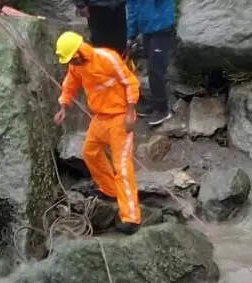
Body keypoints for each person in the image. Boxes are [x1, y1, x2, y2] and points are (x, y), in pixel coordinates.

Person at [54, 31, 142, 234]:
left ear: (79, 50)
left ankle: (131, 217)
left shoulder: (107, 58)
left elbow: (131, 83)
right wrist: (63, 106)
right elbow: (70, 84)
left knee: (122, 166)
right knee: (89, 152)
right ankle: (109, 190)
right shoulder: (76, 65)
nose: (72, 62)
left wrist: (130, 113)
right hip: (100, 118)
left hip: (120, 118)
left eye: (72, 57)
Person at [126, 0, 176, 126]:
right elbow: (132, 10)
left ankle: (163, 109)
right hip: (147, 31)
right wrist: (131, 35)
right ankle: (155, 104)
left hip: (162, 28)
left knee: (156, 69)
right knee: (152, 68)